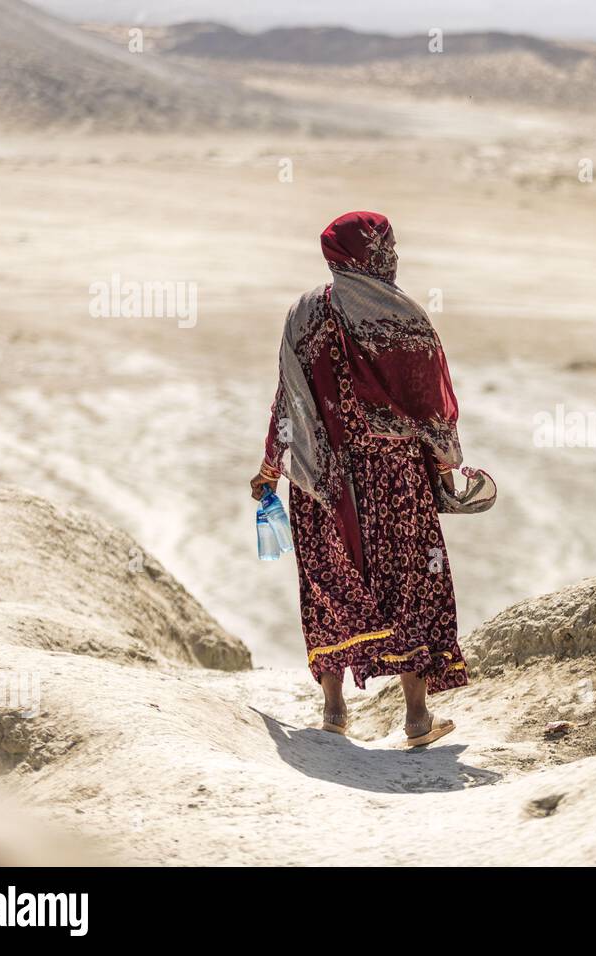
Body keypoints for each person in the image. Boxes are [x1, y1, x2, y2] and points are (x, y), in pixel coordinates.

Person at [250, 210, 466, 747]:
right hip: (395, 480)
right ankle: (417, 718)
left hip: (321, 480)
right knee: (409, 582)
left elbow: (288, 400)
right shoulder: (403, 315)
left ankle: (334, 710)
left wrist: (270, 468)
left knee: (329, 584)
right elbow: (431, 402)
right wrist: (445, 466)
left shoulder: (303, 313)